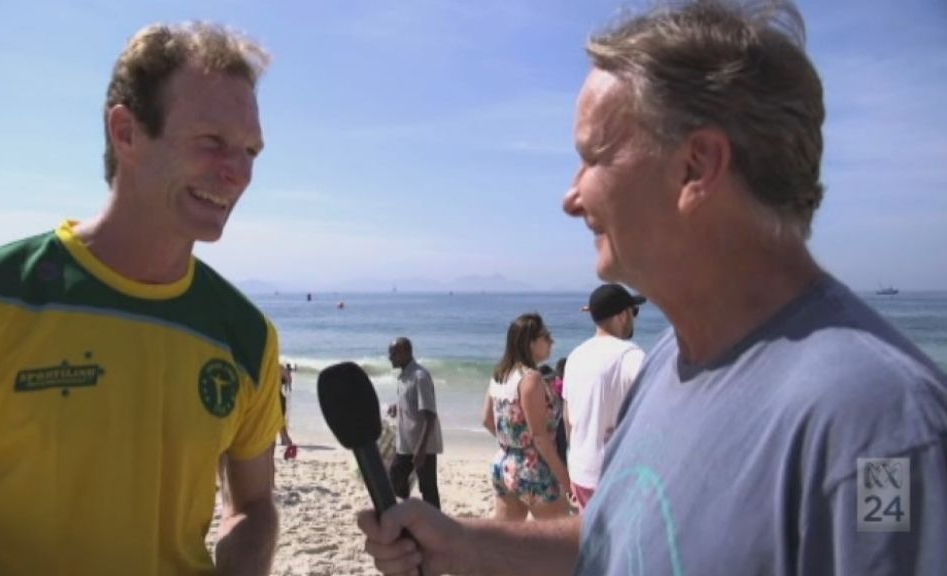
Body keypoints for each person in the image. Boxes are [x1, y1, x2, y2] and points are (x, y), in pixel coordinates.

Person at [357, 1, 947, 574]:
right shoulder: (669, 361)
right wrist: (467, 546)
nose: (572, 196)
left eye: (594, 157)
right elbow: (616, 541)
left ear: (696, 166)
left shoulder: (879, 424)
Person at [0, 22, 282, 576]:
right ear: (127, 133)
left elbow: (255, 506)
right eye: (211, 142)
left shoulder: (247, 335)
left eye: (250, 151)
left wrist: (247, 556)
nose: (237, 173)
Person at [563, 284, 645, 510]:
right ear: (621, 316)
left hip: (581, 471)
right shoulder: (631, 356)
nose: (635, 319)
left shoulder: (575, 356)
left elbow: (569, 419)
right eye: (634, 312)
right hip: (614, 475)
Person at [482, 313, 570, 521]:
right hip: (535, 469)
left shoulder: (501, 374)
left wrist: (513, 445)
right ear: (530, 343)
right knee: (557, 545)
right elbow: (539, 437)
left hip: (504, 464)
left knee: (508, 542)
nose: (552, 342)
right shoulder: (531, 378)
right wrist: (566, 479)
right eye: (546, 337)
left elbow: (487, 420)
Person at [387, 337, 444, 509]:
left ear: (405, 352)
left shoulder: (420, 377)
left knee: (428, 489)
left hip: (421, 446)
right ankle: (406, 513)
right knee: (395, 480)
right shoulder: (404, 376)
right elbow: (413, 402)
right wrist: (397, 406)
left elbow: (430, 414)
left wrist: (421, 449)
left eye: (393, 353)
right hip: (406, 444)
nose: (390, 357)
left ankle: (437, 528)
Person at [279, 362, 299, 460]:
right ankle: (284, 438)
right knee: (280, 417)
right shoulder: (279, 367)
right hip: (276, 396)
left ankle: (284, 437)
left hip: (267, 396)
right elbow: (289, 380)